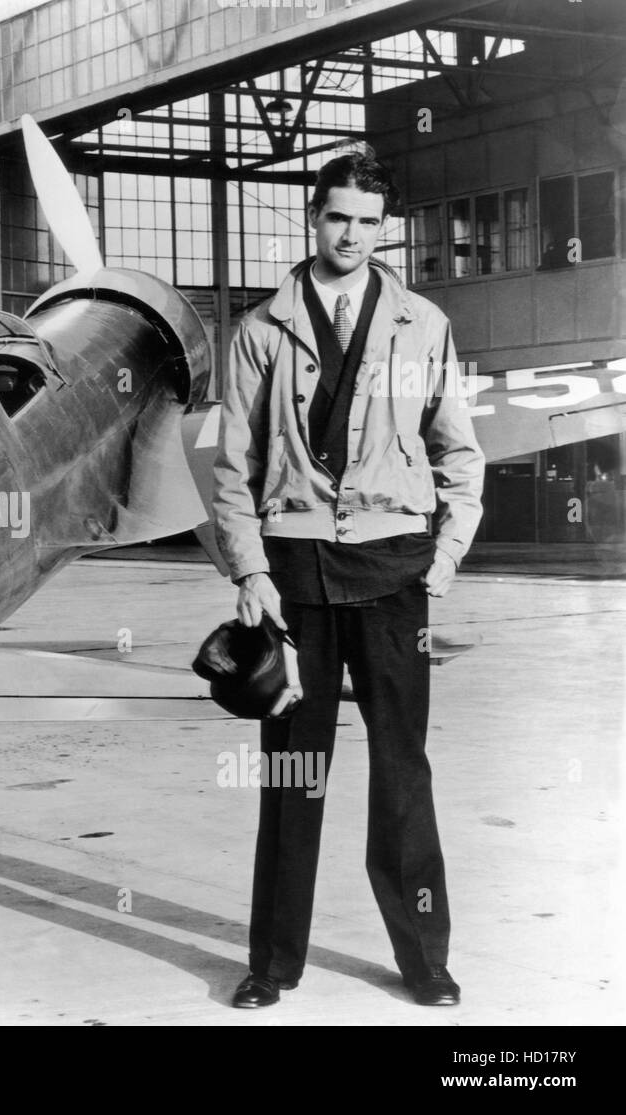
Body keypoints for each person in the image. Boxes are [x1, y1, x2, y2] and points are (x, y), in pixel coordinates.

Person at [211, 152, 484, 1009]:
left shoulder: (422, 324)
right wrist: (249, 569)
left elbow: (458, 451)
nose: (352, 235)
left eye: (368, 221)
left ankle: (424, 959)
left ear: (384, 227)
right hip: (295, 573)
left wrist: (445, 557)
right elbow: (232, 468)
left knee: (403, 772)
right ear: (312, 217)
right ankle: (274, 961)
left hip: (396, 566)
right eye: (338, 218)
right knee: (296, 774)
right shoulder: (261, 331)